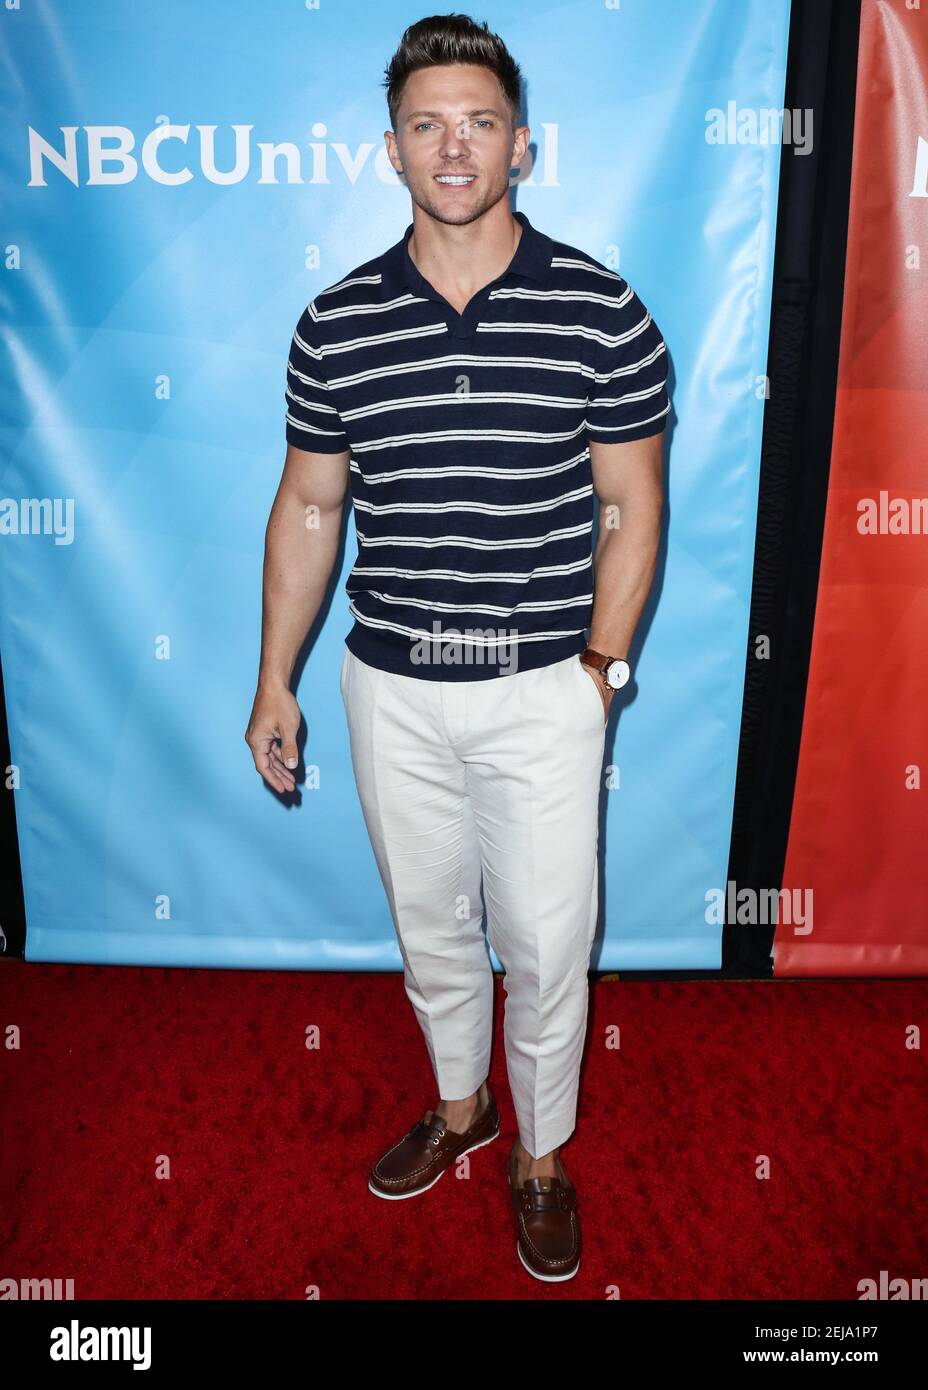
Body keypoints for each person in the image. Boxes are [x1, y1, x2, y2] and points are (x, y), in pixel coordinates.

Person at [246, 12, 669, 1283]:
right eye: (427, 123)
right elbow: (312, 505)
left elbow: (632, 508)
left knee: (546, 941)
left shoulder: (601, 308)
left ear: (520, 145)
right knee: (432, 930)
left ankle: (540, 1154)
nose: (453, 145)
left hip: (544, 684)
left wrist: (599, 672)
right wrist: (273, 674)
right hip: (390, 687)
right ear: (390, 148)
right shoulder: (336, 322)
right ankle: (462, 1107)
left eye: (478, 121)